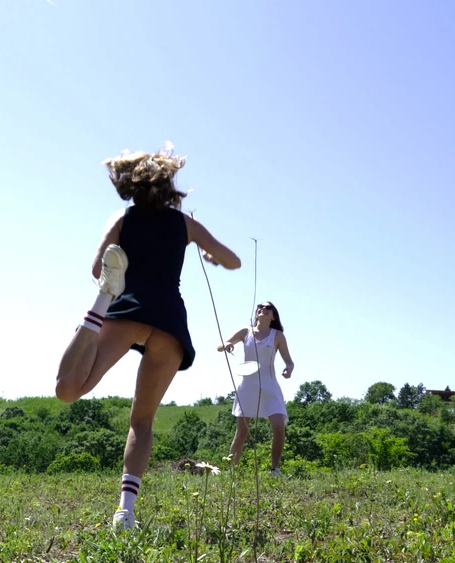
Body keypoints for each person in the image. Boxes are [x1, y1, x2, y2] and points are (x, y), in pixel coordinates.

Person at [55, 142, 241, 530]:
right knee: (142, 421)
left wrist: (112, 280)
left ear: (131, 183)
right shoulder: (186, 224)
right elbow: (233, 260)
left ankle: (97, 309)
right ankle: (126, 512)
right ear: (169, 183)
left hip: (128, 310)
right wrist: (210, 255)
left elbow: (95, 267)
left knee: (69, 389)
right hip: (170, 322)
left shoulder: (123, 218)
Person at [217, 301, 295, 475]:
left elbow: (289, 361)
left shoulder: (278, 336)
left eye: (268, 308)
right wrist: (227, 345)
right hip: (248, 386)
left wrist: (288, 369)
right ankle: (231, 472)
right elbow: (220, 345)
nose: (263, 309)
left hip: (270, 386)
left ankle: (275, 469)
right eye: (260, 306)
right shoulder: (246, 332)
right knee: (242, 431)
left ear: (273, 316)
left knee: (279, 426)